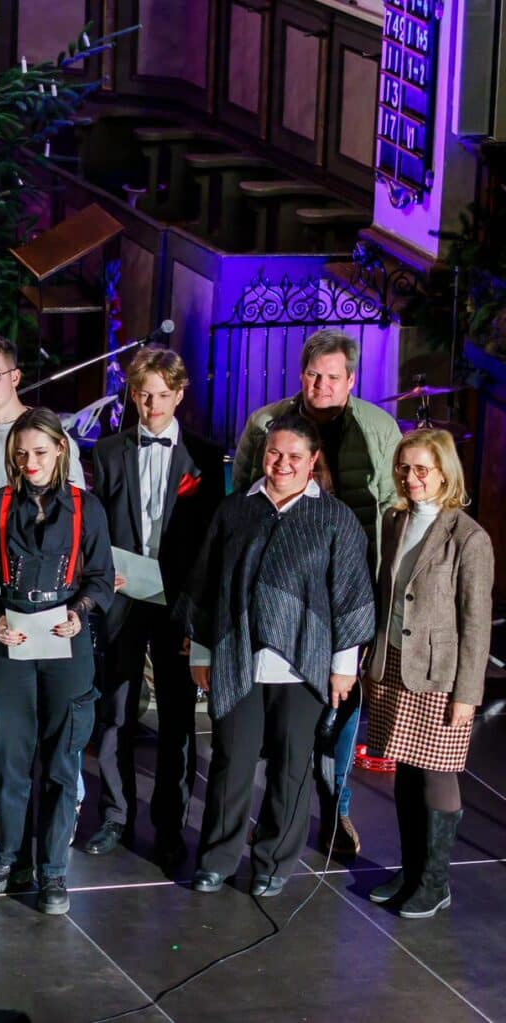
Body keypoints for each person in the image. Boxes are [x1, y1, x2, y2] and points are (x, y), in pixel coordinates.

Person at [181, 415, 375, 897]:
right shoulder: (234, 511)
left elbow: (349, 596)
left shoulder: (333, 518)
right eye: (273, 454)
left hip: (304, 665)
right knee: (231, 762)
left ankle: (272, 863)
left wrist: (342, 668)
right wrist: (202, 652)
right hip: (238, 659)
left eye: (293, 457)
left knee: (291, 769)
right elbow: (208, 588)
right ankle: (218, 859)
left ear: (313, 461)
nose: (281, 464)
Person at [232, 329, 401, 856]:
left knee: (342, 703)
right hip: (283, 584)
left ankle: (337, 808)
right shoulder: (267, 423)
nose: (321, 385)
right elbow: (240, 495)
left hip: (351, 585)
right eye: (313, 375)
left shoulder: (377, 427)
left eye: (333, 377)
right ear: (300, 375)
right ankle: (277, 809)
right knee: (279, 704)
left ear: (350, 380)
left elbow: (392, 507)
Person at [0, 408, 113, 915]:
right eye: (21, 453)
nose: (30, 462)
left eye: (40, 452)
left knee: (62, 758)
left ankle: (52, 871)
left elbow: (100, 577)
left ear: (60, 452)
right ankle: (10, 858)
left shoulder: (85, 507)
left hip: (65, 640)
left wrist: (80, 611)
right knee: (9, 755)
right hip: (14, 635)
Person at [86, 348, 223, 871]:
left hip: (177, 605)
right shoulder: (109, 449)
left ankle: (169, 825)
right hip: (123, 598)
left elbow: (211, 538)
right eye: (143, 393)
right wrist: (104, 570)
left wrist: (196, 611)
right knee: (116, 711)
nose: (152, 403)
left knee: (176, 719)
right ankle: (116, 815)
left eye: (163, 394)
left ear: (180, 394)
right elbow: (99, 521)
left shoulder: (206, 457)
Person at [0, 335, 88, 832]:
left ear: (15, 376)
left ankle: (69, 792)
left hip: (46, 583)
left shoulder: (48, 434)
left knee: (55, 699)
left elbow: (73, 509)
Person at [364, 429, 493, 918]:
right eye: (404, 467)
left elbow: (476, 624)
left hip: (441, 675)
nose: (411, 477)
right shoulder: (395, 520)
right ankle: (412, 867)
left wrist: (468, 694)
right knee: (403, 768)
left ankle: (435, 882)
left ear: (444, 474)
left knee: (437, 775)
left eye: (422, 469)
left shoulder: (469, 537)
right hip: (394, 662)